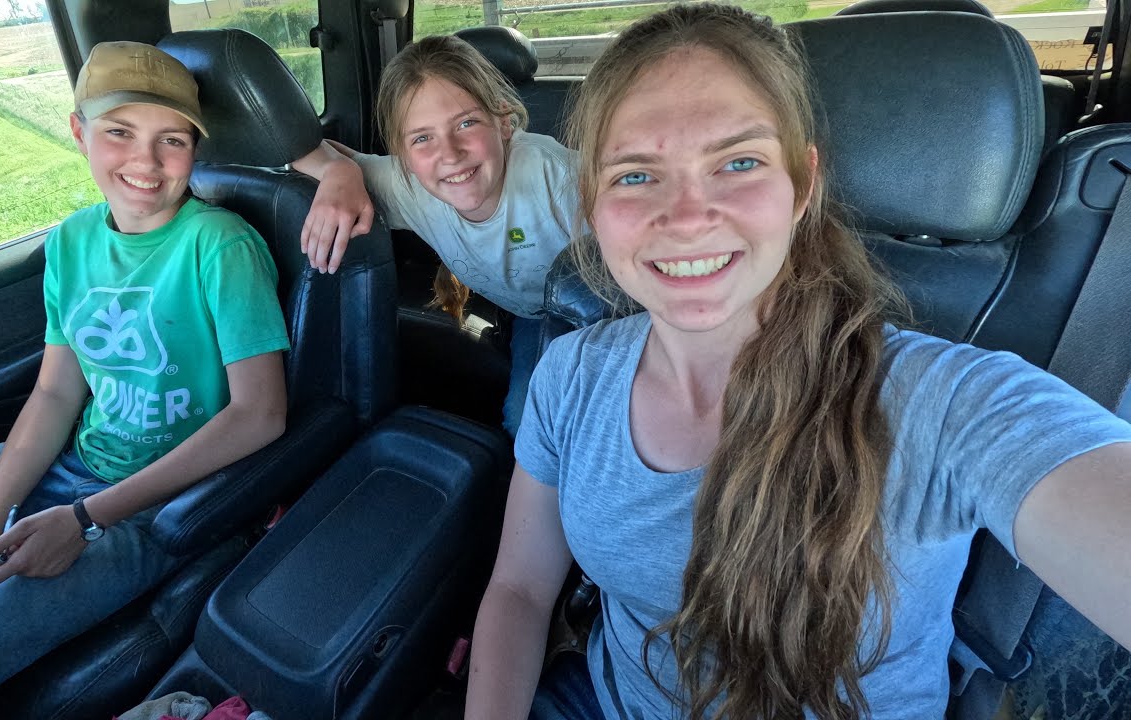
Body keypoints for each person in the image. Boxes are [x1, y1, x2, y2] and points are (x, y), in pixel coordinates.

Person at [464, 5, 1131, 719]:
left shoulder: (940, 403)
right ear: (591, 204)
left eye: (739, 162)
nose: (688, 217)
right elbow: (521, 591)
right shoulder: (570, 375)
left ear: (803, 185)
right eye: (635, 175)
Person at [0, 41, 290, 719]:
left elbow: (260, 414)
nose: (145, 162)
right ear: (79, 131)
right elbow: (57, 392)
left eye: (171, 140)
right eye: (119, 133)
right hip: (69, 467)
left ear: (193, 152)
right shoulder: (72, 242)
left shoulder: (220, 245)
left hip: (153, 508)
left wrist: (85, 519)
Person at [291, 34, 577, 436]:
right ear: (403, 155)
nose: (450, 153)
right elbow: (303, 149)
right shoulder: (407, 185)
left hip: (612, 310)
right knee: (524, 423)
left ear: (505, 121)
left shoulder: (554, 175)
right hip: (538, 314)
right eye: (422, 138)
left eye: (466, 123)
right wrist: (339, 172)